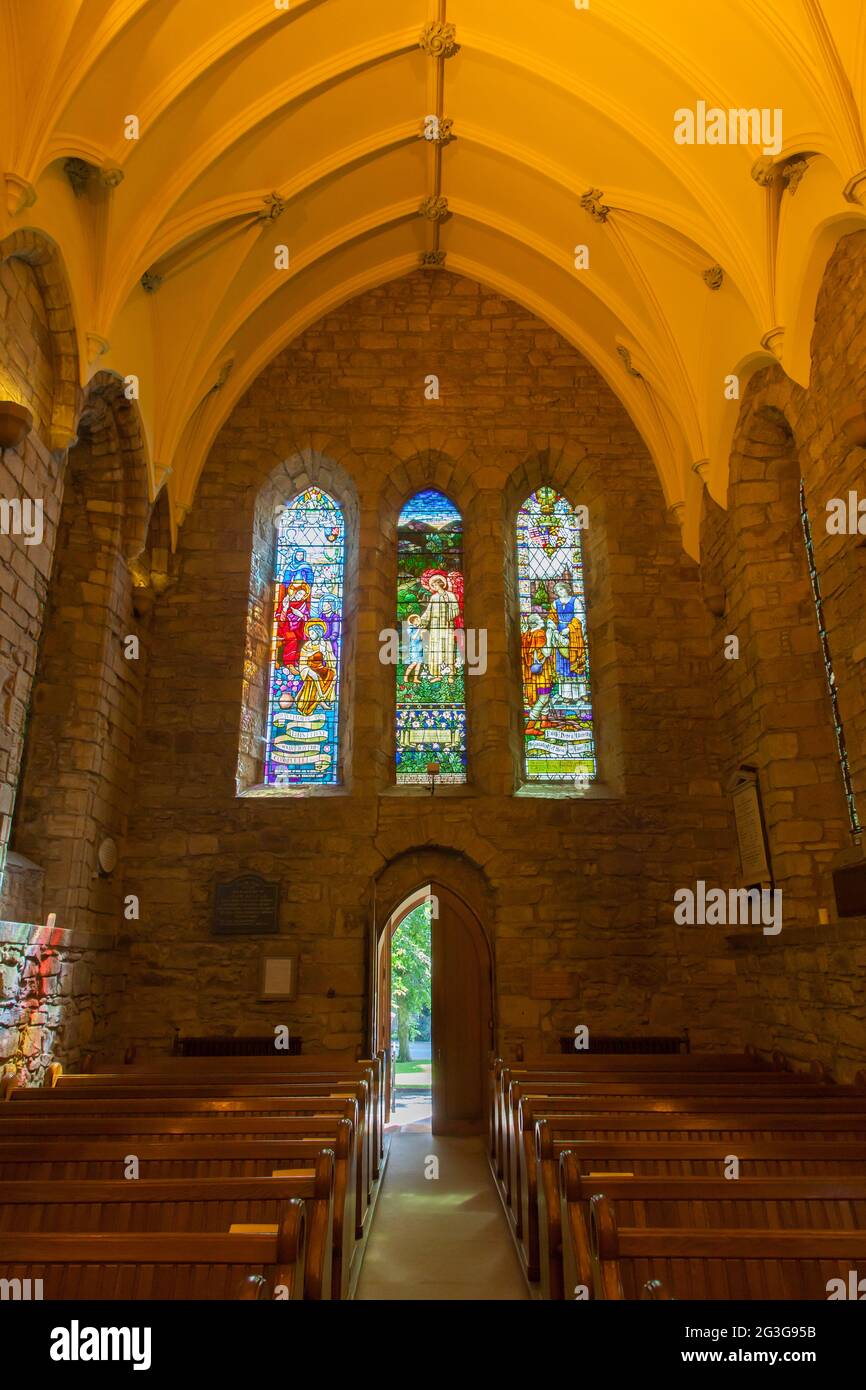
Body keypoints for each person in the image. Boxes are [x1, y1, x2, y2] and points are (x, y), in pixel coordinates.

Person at [417, 570, 460, 682]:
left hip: (447, 626)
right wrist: (421, 622)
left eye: (434, 585)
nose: (433, 587)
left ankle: (451, 674)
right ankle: (437, 674)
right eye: (432, 585)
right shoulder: (434, 598)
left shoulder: (450, 595)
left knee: (448, 648)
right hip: (435, 627)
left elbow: (456, 610)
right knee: (436, 649)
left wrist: (448, 613)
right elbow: (428, 612)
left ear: (440, 583)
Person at [295, 619, 337, 715]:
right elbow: (302, 661)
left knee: (333, 674)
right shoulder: (307, 645)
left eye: (312, 633)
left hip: (320, 668)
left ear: (318, 633)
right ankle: (321, 697)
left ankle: (321, 700)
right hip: (308, 668)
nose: (310, 635)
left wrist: (325, 652)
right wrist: (306, 670)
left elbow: (332, 661)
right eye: (309, 633)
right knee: (314, 676)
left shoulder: (325, 644)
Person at [522, 614, 554, 734]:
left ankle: (544, 721)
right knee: (544, 696)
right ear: (536, 622)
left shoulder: (527, 634)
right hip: (541, 671)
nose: (542, 620)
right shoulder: (540, 633)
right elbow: (546, 652)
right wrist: (549, 637)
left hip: (532, 671)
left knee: (545, 694)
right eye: (540, 619)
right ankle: (530, 726)